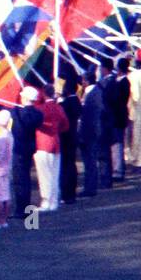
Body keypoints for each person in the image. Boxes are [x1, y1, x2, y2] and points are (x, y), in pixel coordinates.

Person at [33, 86, 68, 211]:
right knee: (54, 174)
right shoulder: (59, 107)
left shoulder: (41, 109)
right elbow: (65, 124)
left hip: (43, 143)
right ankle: (54, 201)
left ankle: (46, 201)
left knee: (44, 175)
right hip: (56, 143)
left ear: (43, 94)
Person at [10, 88, 44, 216]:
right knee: (26, 179)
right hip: (29, 148)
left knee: (20, 180)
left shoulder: (18, 113)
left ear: (25, 98)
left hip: (19, 149)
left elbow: (7, 111)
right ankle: (25, 207)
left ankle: (21, 209)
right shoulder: (37, 114)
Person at [79, 67, 104, 197]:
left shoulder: (92, 94)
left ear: (86, 81)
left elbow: (92, 116)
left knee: (90, 161)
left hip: (90, 133)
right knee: (89, 161)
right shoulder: (95, 92)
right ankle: (90, 187)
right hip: (91, 132)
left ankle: (90, 188)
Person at [58, 74, 82, 203]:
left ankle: (66, 194)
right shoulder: (76, 101)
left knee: (65, 166)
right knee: (71, 165)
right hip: (73, 136)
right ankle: (71, 193)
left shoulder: (66, 103)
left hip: (65, 136)